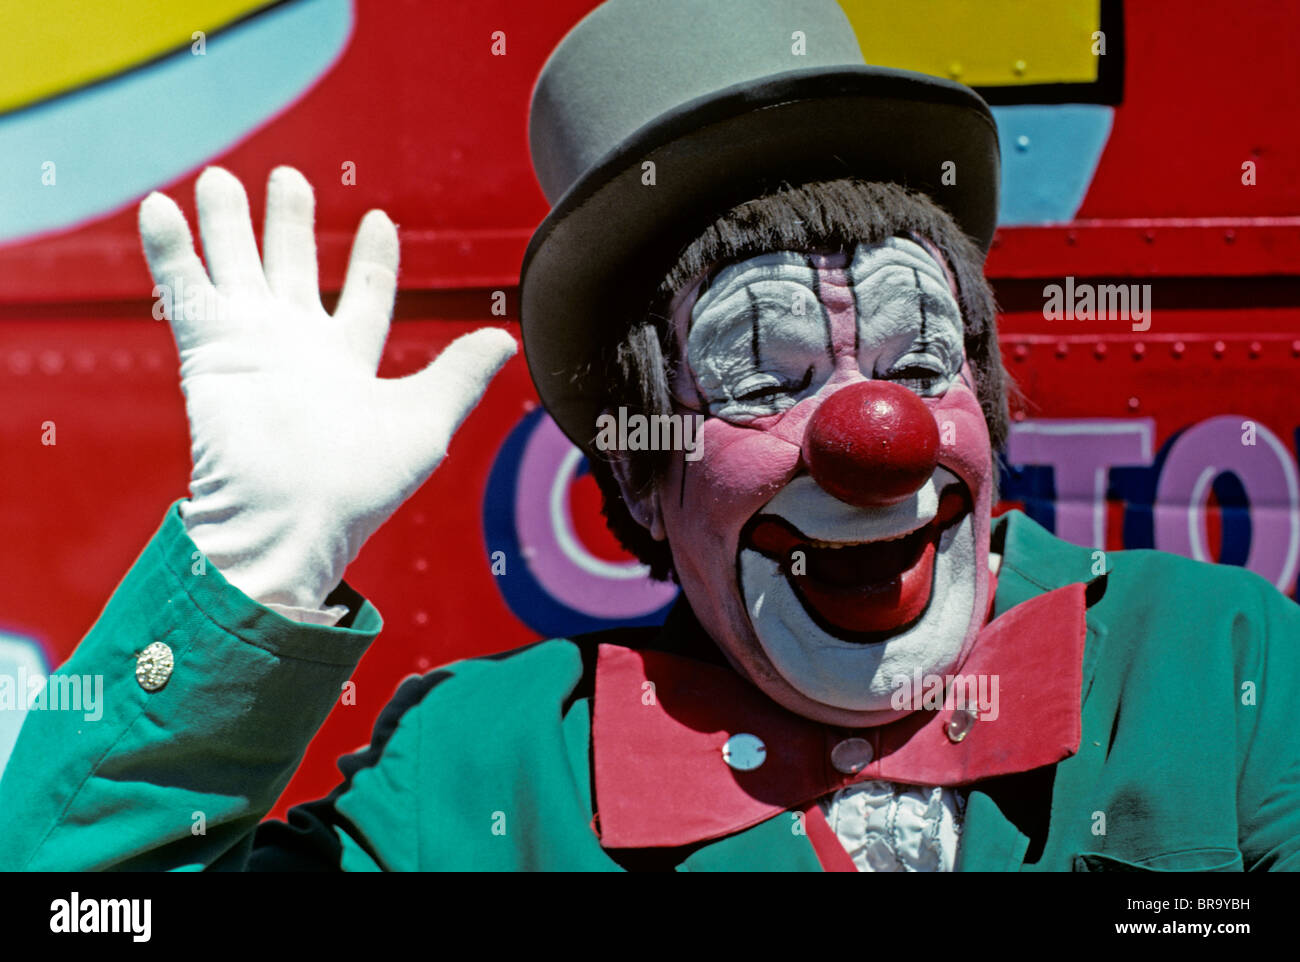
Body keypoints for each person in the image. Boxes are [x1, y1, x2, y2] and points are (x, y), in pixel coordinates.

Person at [1, 0, 1297, 872]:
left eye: (915, 349)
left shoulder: (1219, 670)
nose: (877, 430)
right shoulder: (478, 782)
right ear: (641, 468)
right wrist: (249, 569)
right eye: (762, 365)